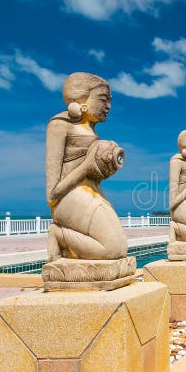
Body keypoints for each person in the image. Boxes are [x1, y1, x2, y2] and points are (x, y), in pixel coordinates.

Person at [45, 72, 126, 262]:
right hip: (66, 197)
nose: (109, 107)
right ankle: (59, 235)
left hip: (90, 191)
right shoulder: (59, 125)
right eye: (103, 99)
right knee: (111, 250)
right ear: (82, 98)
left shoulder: (92, 132)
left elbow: (92, 172)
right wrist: (88, 166)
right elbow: (51, 195)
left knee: (120, 248)